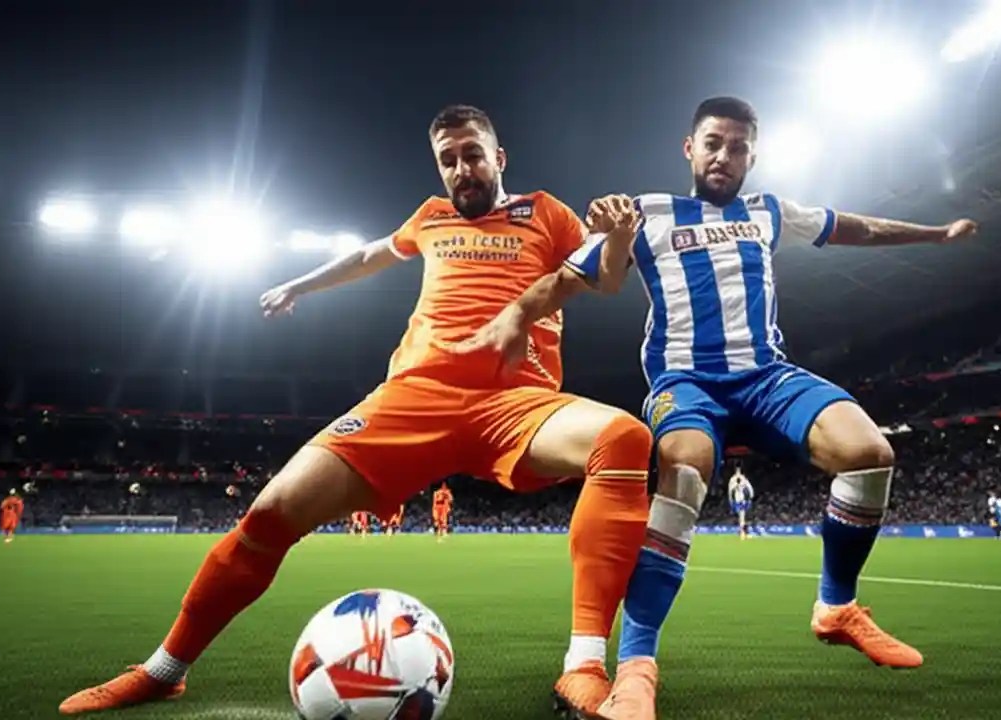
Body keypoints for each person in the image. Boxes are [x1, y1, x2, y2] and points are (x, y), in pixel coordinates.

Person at [58, 104, 651, 718]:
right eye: (448, 159)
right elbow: (370, 256)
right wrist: (299, 285)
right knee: (270, 512)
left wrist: (617, 237)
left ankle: (583, 667)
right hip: (414, 397)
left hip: (515, 401)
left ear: (499, 158)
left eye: (472, 154)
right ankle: (163, 670)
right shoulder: (430, 217)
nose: (461, 168)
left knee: (624, 438)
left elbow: (604, 281)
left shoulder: (545, 211)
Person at [540, 96, 977, 718]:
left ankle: (835, 606)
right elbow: (571, 278)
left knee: (870, 453)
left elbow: (853, 227)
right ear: (689, 148)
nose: (726, 155)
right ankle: (638, 666)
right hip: (687, 381)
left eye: (739, 146)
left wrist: (934, 234)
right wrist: (510, 320)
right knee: (684, 470)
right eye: (713, 142)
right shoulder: (648, 212)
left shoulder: (769, 211)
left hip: (767, 376)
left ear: (752, 154)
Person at [727, 464, 754, 540]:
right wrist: (731, 500)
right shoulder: (734, 479)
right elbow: (730, 490)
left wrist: (750, 496)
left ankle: (743, 532)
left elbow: (749, 487)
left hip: (742, 500)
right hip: (739, 500)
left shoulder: (742, 479)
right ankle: (743, 533)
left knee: (742, 517)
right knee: (741, 517)